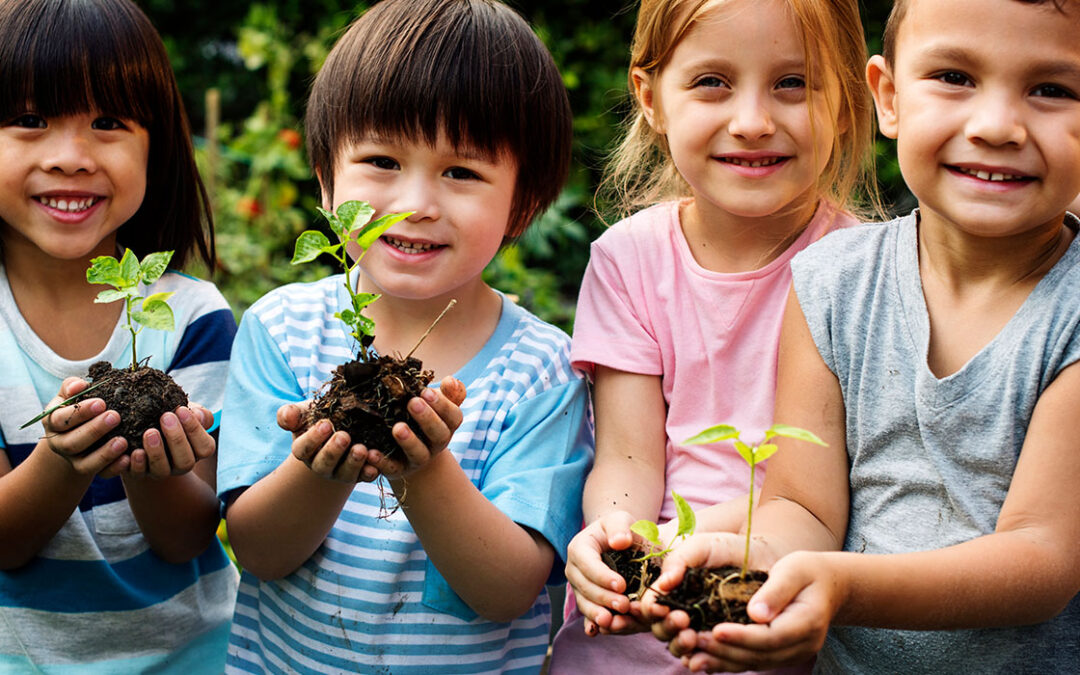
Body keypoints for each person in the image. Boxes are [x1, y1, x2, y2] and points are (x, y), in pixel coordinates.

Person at [643, 0, 1080, 672]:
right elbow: (804, 509)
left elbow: (1044, 556)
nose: (996, 126)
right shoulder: (830, 282)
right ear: (888, 97)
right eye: (955, 77)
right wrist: (750, 558)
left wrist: (838, 584)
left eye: (1052, 89)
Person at [215, 0, 593, 672]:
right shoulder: (280, 331)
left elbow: (508, 589)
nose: (417, 201)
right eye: (382, 161)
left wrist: (424, 466)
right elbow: (259, 551)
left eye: (462, 172)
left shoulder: (543, 372)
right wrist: (319, 465)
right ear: (327, 182)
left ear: (525, 201)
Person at [547, 0, 878, 671]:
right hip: (627, 632)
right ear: (651, 99)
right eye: (711, 82)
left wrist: (685, 549)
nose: (753, 122)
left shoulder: (866, 271)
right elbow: (629, 458)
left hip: (769, 616)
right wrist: (616, 535)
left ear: (846, 101)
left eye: (794, 83)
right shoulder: (627, 260)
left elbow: (815, 498)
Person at [0, 0, 240, 671]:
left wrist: (153, 465)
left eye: (108, 122)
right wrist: (64, 458)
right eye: (29, 120)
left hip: (186, 656)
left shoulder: (195, 317)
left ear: (156, 144)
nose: (70, 157)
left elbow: (188, 533)